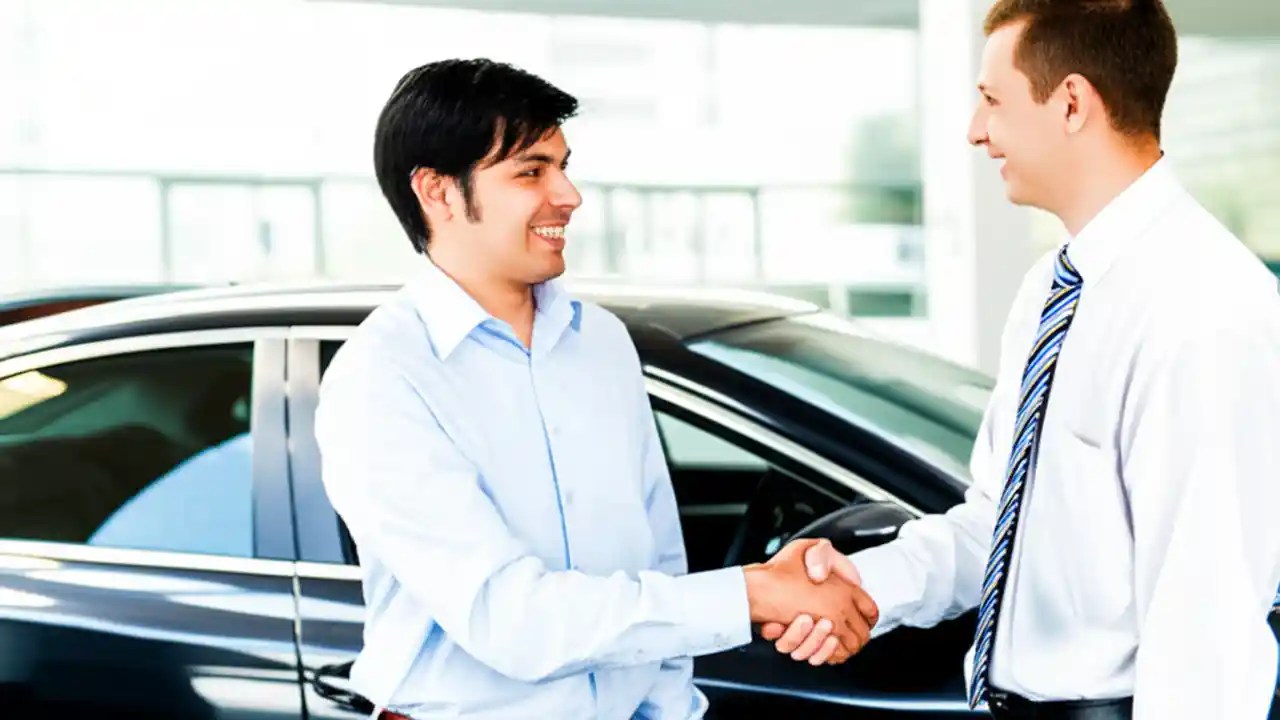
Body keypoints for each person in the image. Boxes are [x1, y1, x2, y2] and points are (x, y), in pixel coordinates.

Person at [313, 58, 879, 720]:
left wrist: (672, 711)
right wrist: (753, 594)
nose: (569, 195)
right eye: (531, 171)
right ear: (437, 191)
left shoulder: (601, 342)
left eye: (563, 165)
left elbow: (659, 559)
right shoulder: (382, 375)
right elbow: (509, 619)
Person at [762, 1, 1280, 718]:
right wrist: (863, 583)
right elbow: (995, 525)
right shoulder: (1052, 287)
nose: (976, 130)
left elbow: (1207, 624)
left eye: (992, 100)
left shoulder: (1204, 303)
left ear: (1071, 103)